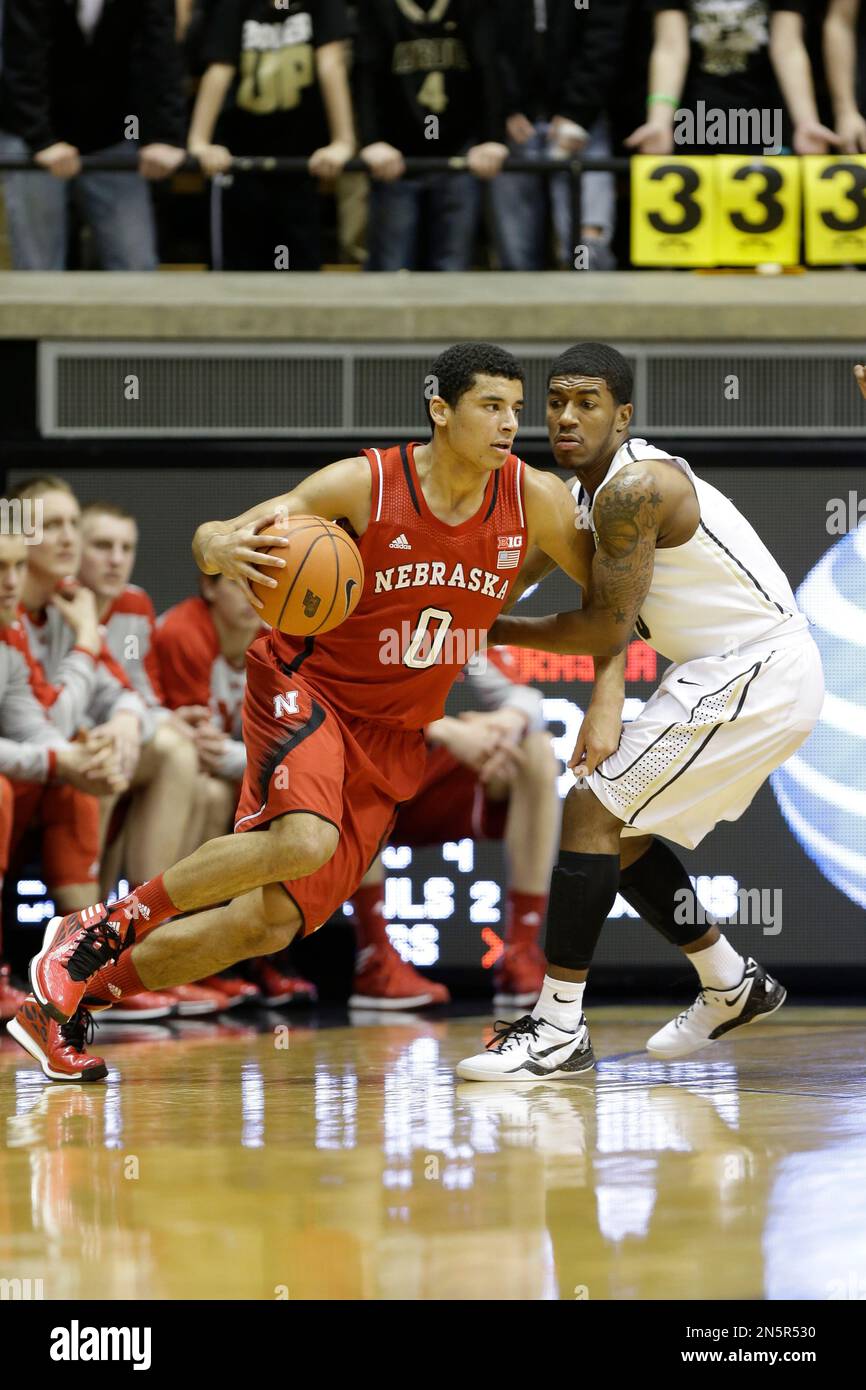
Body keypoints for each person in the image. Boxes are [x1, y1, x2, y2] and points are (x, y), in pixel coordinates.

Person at [17, 341, 625, 1081]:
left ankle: (70, 995)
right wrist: (221, 546)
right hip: (308, 687)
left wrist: (606, 696)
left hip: (393, 733)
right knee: (304, 839)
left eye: (517, 410)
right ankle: (96, 930)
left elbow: (610, 607)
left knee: (263, 924)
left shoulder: (535, 499)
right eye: (490, 407)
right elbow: (214, 539)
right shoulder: (365, 482)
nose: (509, 425)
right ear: (441, 410)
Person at [457, 342, 825, 1081]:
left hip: (758, 668)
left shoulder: (635, 491)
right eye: (555, 401)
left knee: (591, 810)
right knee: (615, 837)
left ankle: (558, 1028)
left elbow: (602, 628)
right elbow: (502, 582)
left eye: (587, 402)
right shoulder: (578, 496)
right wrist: (437, 608)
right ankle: (730, 983)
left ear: (622, 417)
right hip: (732, 673)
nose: (566, 416)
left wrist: (482, 630)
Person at [349, 647, 558, 1008]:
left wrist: (504, 723)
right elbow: (340, 705)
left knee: (536, 749)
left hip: (423, 785)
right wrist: (445, 728)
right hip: (357, 786)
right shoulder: (347, 607)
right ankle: (375, 959)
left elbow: (526, 697)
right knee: (349, 759)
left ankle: (520, 952)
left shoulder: (456, 615)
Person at [153, 574, 315, 1004]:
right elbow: (205, 751)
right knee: (216, 795)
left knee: (285, 802)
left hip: (220, 774)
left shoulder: (277, 643)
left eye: (261, 583)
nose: (253, 595)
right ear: (208, 588)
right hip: (160, 774)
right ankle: (170, 952)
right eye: (237, 583)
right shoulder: (184, 631)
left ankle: (241, 956)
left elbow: (287, 743)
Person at [0, 0, 187, 270]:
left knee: (137, 264)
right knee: (38, 269)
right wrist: (42, 140)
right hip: (32, 133)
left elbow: (161, 52)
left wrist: (165, 137)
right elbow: (21, 60)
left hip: (110, 131)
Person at [187, 0, 355, 269]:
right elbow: (220, 66)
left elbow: (330, 63)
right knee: (235, 272)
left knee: (298, 269)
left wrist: (343, 141)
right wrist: (200, 142)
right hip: (237, 158)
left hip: (300, 160)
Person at [355, 0, 508, 270]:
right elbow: (366, 72)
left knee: (452, 266)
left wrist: (492, 138)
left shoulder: (473, 8)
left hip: (459, 152)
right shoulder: (377, 9)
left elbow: (489, 66)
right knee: (392, 266)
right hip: (396, 156)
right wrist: (371, 140)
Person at [490, 0, 628, 271]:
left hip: (583, 122)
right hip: (515, 123)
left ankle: (593, 310)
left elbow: (606, 39)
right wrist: (506, 106)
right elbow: (487, 39)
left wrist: (578, 111)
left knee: (587, 251)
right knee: (516, 256)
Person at [627, 0, 838, 156]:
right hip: (692, 117)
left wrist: (806, 122)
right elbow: (670, 48)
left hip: (763, 116)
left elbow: (788, 47)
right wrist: (659, 121)